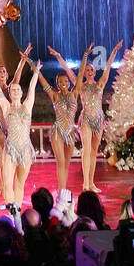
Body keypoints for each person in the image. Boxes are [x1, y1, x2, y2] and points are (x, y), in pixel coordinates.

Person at [0, 50, 43, 209]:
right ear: (10, 93)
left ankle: (17, 213)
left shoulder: (27, 106)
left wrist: (36, 71)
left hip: (25, 149)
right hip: (10, 148)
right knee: (7, 185)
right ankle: (11, 212)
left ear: (21, 92)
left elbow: (32, 88)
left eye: (18, 90)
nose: (15, 91)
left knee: (20, 184)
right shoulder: (5, 106)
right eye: (13, 90)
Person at [76, 40, 124, 193]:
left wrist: (115, 51)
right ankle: (85, 184)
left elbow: (108, 66)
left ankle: (91, 183)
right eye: (87, 70)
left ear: (94, 72)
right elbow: (75, 72)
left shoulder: (100, 84)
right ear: (84, 72)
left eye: (91, 70)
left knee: (93, 152)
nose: (89, 72)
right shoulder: (81, 86)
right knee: (86, 150)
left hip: (98, 120)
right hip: (86, 120)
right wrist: (85, 56)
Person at [40, 46, 89, 193]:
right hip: (58, 131)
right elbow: (43, 82)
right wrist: (34, 67)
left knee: (66, 164)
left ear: (69, 83)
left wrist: (85, 55)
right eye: (60, 82)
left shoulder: (74, 94)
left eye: (66, 81)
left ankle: (64, 190)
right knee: (60, 162)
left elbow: (80, 75)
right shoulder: (55, 95)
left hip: (70, 132)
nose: (64, 84)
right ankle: (62, 192)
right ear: (58, 84)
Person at [0, 47, 32, 198]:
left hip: (13, 124)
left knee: (10, 151)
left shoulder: (11, 88)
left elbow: (18, 75)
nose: (2, 73)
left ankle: (10, 182)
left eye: (4, 71)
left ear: (6, 75)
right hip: (0, 123)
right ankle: (3, 179)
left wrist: (22, 60)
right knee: (3, 153)